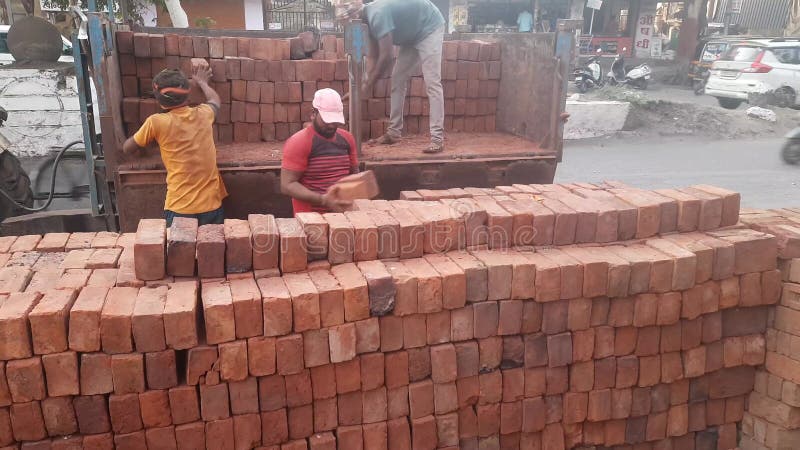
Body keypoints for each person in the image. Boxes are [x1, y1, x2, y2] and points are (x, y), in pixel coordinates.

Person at [122, 67, 228, 227]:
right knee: (212, 250)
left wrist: (148, 140)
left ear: (159, 101)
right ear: (188, 95)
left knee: (181, 252)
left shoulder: (156, 122)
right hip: (211, 206)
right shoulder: (204, 114)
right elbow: (215, 101)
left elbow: (127, 148)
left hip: (180, 208)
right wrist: (203, 83)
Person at [339, 0, 446, 154]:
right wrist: (361, 87)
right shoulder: (365, 25)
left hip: (429, 26)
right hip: (410, 35)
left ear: (356, 15)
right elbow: (373, 57)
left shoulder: (376, 15)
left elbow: (387, 57)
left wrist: (367, 87)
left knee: (432, 82)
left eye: (348, 23)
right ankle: (394, 133)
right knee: (397, 79)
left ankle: (437, 139)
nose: (350, 27)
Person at [281, 88, 357, 215]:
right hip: (311, 218)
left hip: (343, 216)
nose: (332, 125)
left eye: (335, 120)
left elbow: (354, 173)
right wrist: (323, 200)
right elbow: (287, 185)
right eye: (327, 120)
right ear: (313, 114)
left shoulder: (347, 139)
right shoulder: (299, 142)